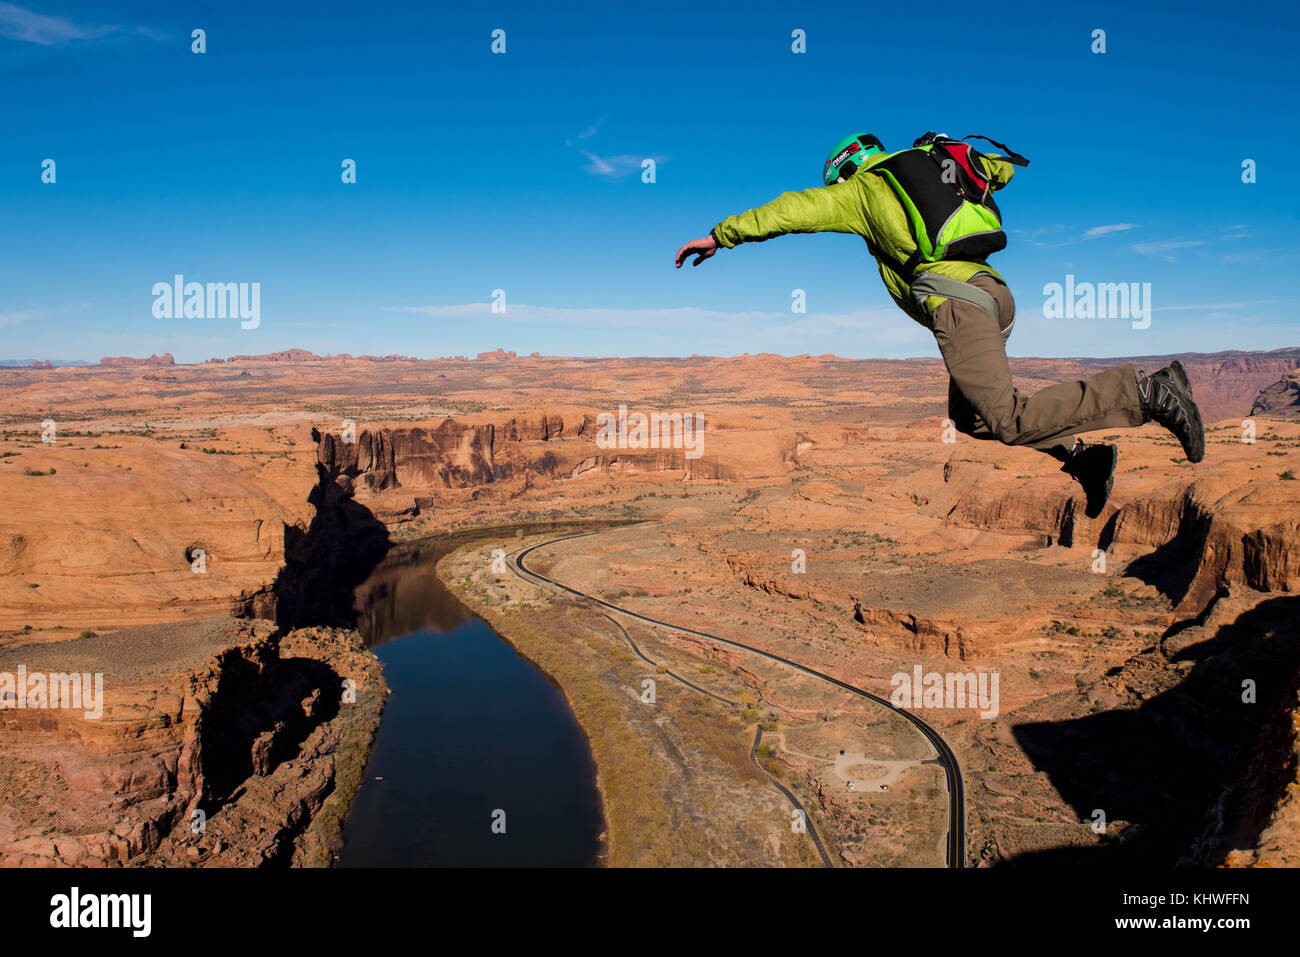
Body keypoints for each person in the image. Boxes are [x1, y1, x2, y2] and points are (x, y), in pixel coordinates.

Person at [674, 131, 1205, 518]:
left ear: (846, 166)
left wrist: (722, 235)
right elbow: (1003, 170)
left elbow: (792, 210)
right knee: (969, 418)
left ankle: (1148, 393)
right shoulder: (931, 162)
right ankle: (1085, 460)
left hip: (956, 300)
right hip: (989, 292)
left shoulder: (861, 188)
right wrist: (963, 156)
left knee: (1006, 419)